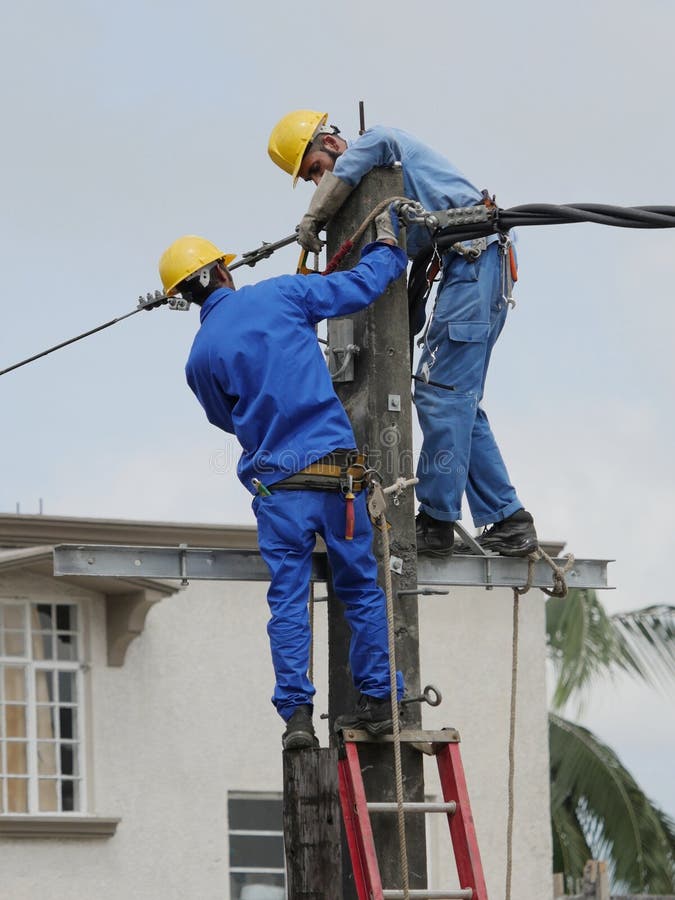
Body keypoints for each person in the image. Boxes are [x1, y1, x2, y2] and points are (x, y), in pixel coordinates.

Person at [157, 220, 406, 750]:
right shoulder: (281, 294)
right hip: (338, 481)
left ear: (182, 298)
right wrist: (387, 247)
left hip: (279, 490)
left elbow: (227, 419)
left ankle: (297, 718)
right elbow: (358, 287)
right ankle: (381, 700)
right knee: (360, 588)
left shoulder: (199, 358)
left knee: (289, 601)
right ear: (224, 268)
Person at [268, 110, 539, 559]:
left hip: (475, 265)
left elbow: (365, 160)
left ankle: (435, 521)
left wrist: (314, 218)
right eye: (311, 178)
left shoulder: (378, 142)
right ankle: (509, 520)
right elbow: (407, 258)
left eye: (315, 168)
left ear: (331, 144)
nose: (320, 181)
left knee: (441, 394)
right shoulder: (394, 194)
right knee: (459, 403)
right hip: (473, 270)